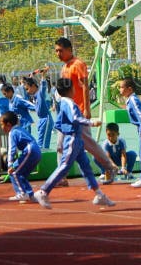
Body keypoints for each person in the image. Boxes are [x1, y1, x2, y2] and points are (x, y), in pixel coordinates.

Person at [33, 78, 115, 210]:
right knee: (64, 166)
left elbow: (59, 123)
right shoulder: (69, 104)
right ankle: (43, 191)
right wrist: (91, 122)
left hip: (76, 139)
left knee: (86, 166)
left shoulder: (63, 103)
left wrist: (65, 133)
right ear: (71, 89)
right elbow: (76, 118)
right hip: (73, 139)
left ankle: (99, 194)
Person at [53, 37, 119, 183]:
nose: (58, 53)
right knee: (60, 145)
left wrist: (87, 110)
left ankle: (110, 166)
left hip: (78, 112)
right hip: (66, 113)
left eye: (60, 50)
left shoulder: (78, 64)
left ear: (69, 50)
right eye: (56, 51)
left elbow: (85, 87)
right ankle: (61, 177)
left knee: (89, 144)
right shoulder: (64, 67)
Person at [1, 111, 42, 203]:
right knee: (21, 174)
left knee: (14, 172)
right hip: (36, 151)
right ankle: (30, 195)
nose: (1, 127)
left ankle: (22, 193)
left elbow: (12, 148)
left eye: (1, 124)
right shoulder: (20, 129)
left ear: (8, 124)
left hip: (30, 150)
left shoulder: (13, 132)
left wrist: (10, 164)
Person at [24, 72, 54, 150]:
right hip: (41, 121)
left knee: (43, 145)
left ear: (33, 86)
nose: (27, 91)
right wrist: (31, 77)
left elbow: (43, 87)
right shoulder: (35, 96)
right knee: (40, 143)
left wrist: (43, 76)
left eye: (27, 89)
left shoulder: (39, 94)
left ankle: (44, 160)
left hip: (46, 120)